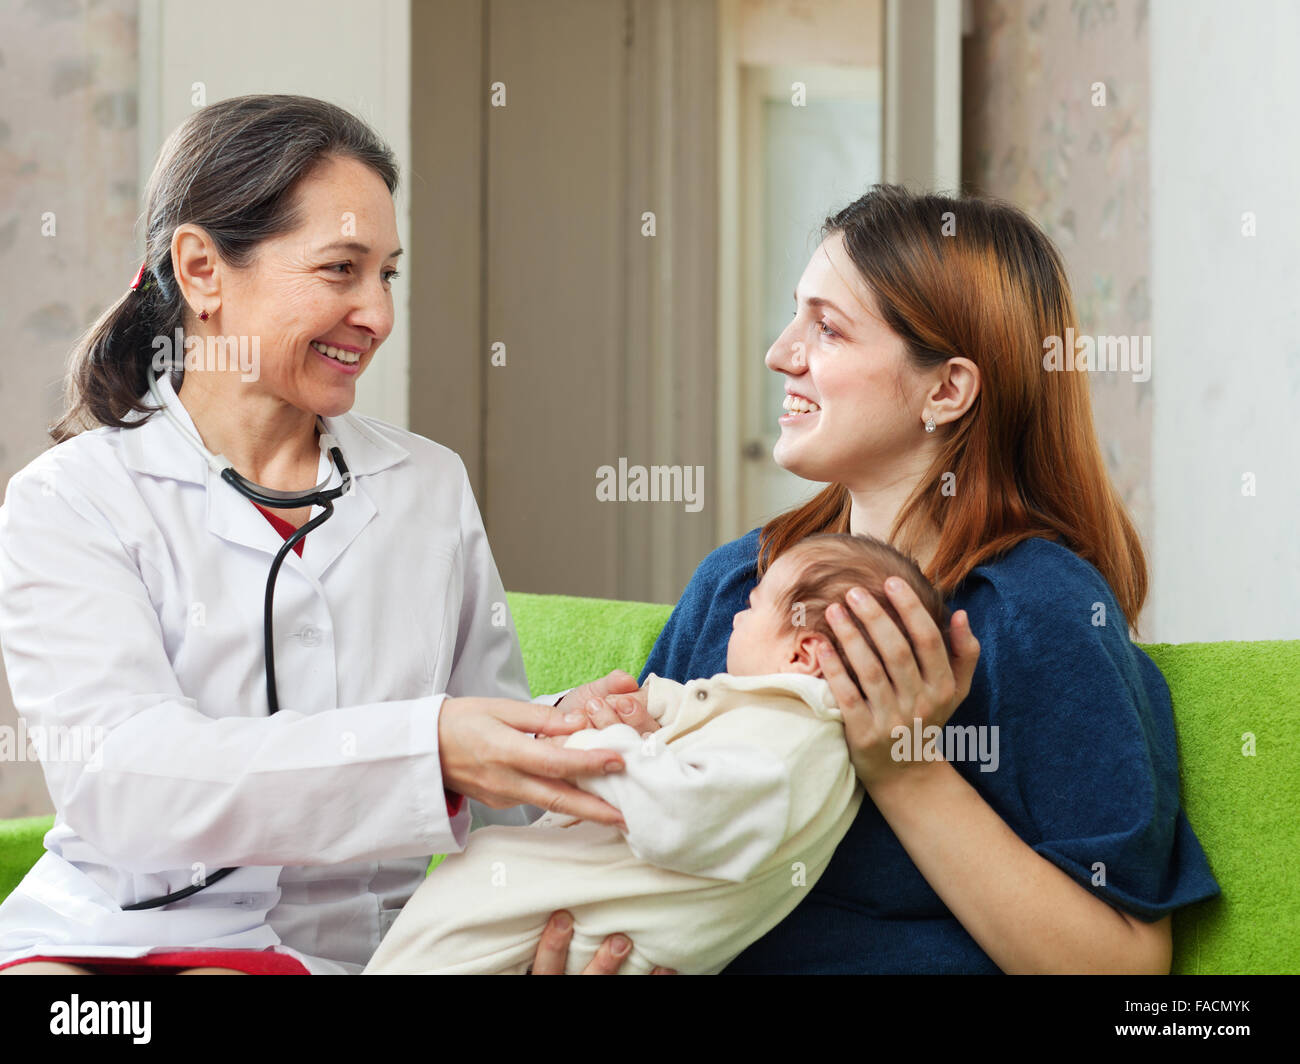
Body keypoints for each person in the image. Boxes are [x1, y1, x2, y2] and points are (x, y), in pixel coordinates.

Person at [0, 94, 654, 976]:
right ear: (201, 269)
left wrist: (554, 743)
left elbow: (499, 781)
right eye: (341, 270)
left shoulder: (427, 486)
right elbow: (121, 779)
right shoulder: (70, 500)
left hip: (355, 954)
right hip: (104, 938)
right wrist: (427, 747)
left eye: (387, 274)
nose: (378, 315)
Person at [578, 185, 1221, 974]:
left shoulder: (1040, 613)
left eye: (828, 329)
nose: (782, 352)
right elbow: (626, 835)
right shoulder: (736, 585)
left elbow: (1122, 968)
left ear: (946, 390)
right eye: (796, 316)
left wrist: (906, 767)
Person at [365, 532, 949, 975]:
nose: (736, 616)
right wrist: (639, 722)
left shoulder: (796, 741)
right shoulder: (768, 718)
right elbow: (695, 755)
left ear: (804, 654)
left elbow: (682, 814)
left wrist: (604, 744)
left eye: (753, 606)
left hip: (559, 932)